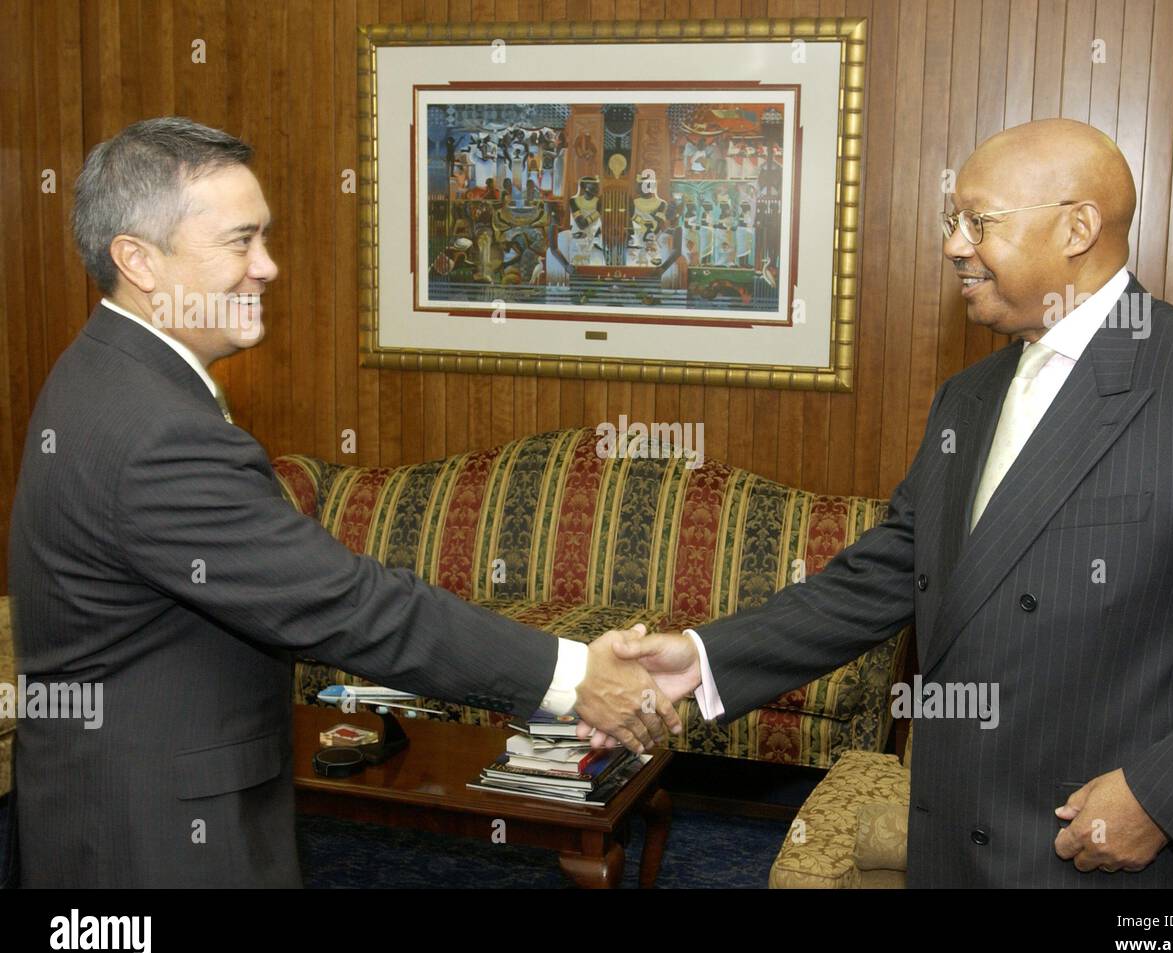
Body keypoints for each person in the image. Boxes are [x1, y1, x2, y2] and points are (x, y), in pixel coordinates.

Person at [587, 118, 1173, 887]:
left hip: (1107, 864)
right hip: (952, 846)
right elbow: (884, 575)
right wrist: (700, 659)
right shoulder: (970, 395)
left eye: (977, 221)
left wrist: (1164, 798)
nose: (955, 245)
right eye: (950, 221)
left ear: (1078, 227)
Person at [4, 117, 677, 888]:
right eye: (240, 241)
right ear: (138, 260)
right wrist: (573, 674)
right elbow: (346, 604)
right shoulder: (154, 430)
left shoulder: (107, 372)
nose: (268, 266)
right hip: (153, 833)